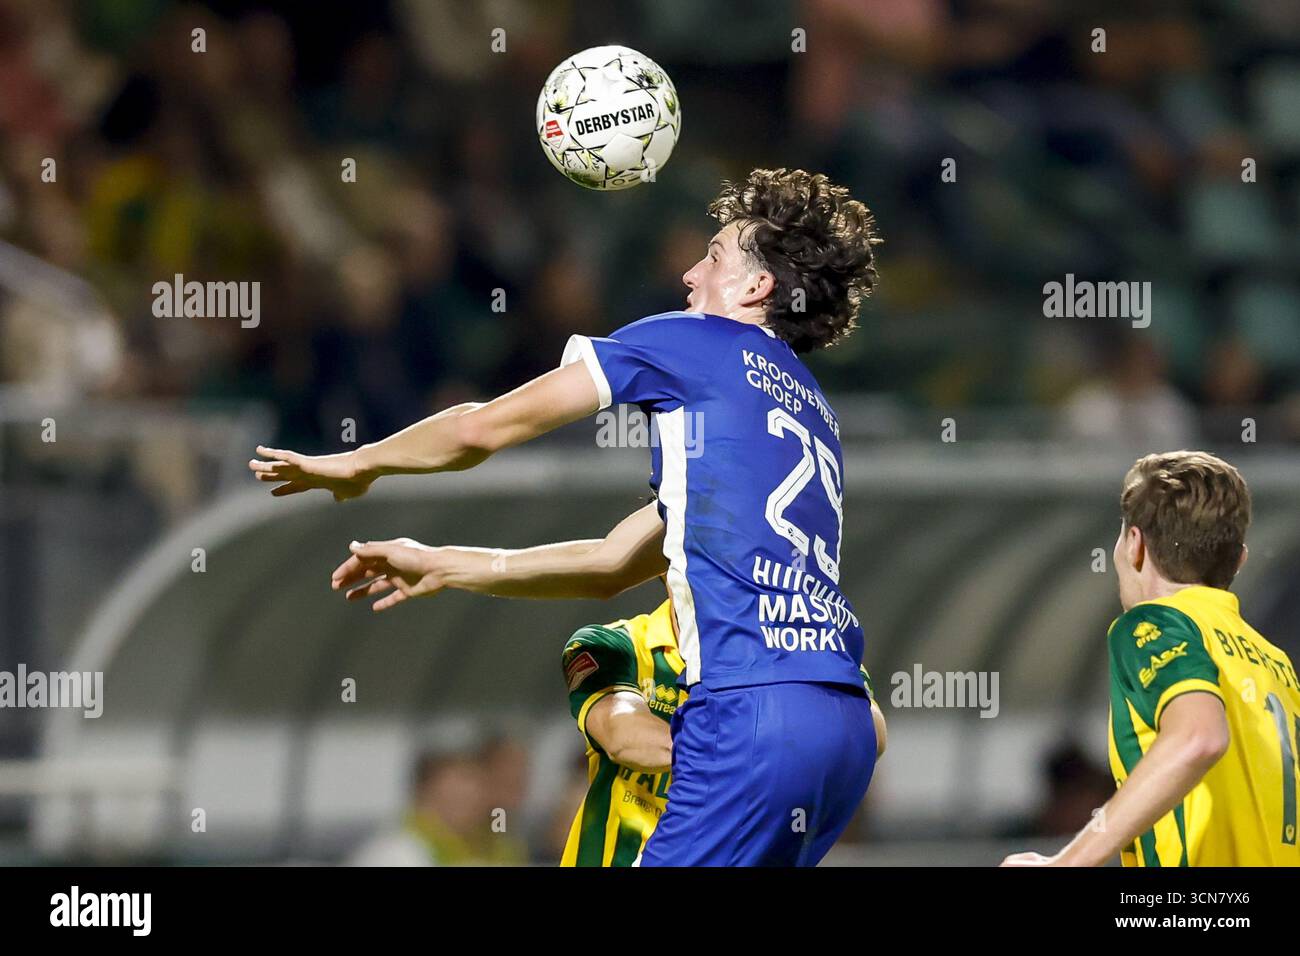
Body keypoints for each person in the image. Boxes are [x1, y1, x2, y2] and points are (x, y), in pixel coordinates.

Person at [251, 167, 882, 865]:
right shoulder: (810, 410)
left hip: (751, 709)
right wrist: (444, 561)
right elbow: (613, 564)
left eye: (713, 257)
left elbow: (480, 430)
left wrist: (362, 462)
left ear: (756, 288)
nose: (689, 275)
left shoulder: (693, 342)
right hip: (846, 723)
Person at [327, 509, 888, 866]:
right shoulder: (613, 645)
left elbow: (871, 732)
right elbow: (623, 735)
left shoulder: (801, 644)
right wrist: (765, 748)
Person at [1002, 451, 1300, 867]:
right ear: (1239, 560)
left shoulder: (1157, 624)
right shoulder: (1274, 661)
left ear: (1135, 545)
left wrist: (1065, 863)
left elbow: (1199, 738)